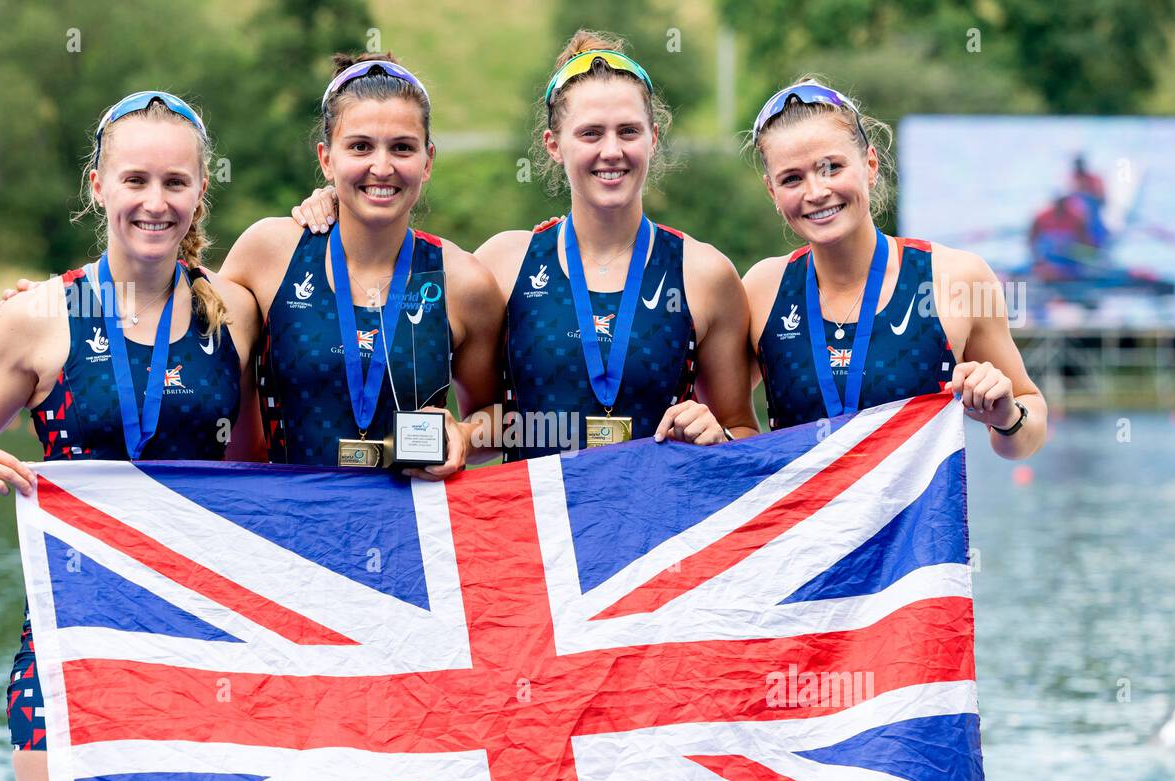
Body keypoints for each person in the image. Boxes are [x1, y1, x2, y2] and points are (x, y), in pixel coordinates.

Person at [0, 91, 263, 781]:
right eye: (135, 180)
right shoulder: (39, 316)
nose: (155, 202)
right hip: (69, 651)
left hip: (208, 656)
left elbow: (264, 474)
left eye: (176, 183)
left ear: (202, 191)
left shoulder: (232, 314)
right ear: (97, 185)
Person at [294, 32, 759, 458]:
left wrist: (718, 438)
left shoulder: (703, 274)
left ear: (653, 139)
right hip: (532, 539)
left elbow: (744, 431)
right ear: (554, 144)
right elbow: (489, 421)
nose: (611, 151)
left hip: (656, 539)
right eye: (591, 133)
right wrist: (337, 198)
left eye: (629, 132)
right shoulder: (502, 263)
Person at [220, 53, 504, 476]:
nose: (382, 167)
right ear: (326, 158)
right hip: (286, 530)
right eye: (360, 146)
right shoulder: (267, 253)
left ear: (427, 162)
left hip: (413, 533)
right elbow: (207, 371)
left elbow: (500, 416)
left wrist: (463, 435)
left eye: (402, 148)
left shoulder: (462, 280)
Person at [741, 79, 1046, 457]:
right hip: (799, 517)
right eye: (792, 178)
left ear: (870, 165)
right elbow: (732, 430)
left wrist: (1006, 415)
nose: (816, 192)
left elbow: (1027, 428)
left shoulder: (957, 278)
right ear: (772, 191)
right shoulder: (761, 288)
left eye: (832, 168)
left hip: (918, 519)